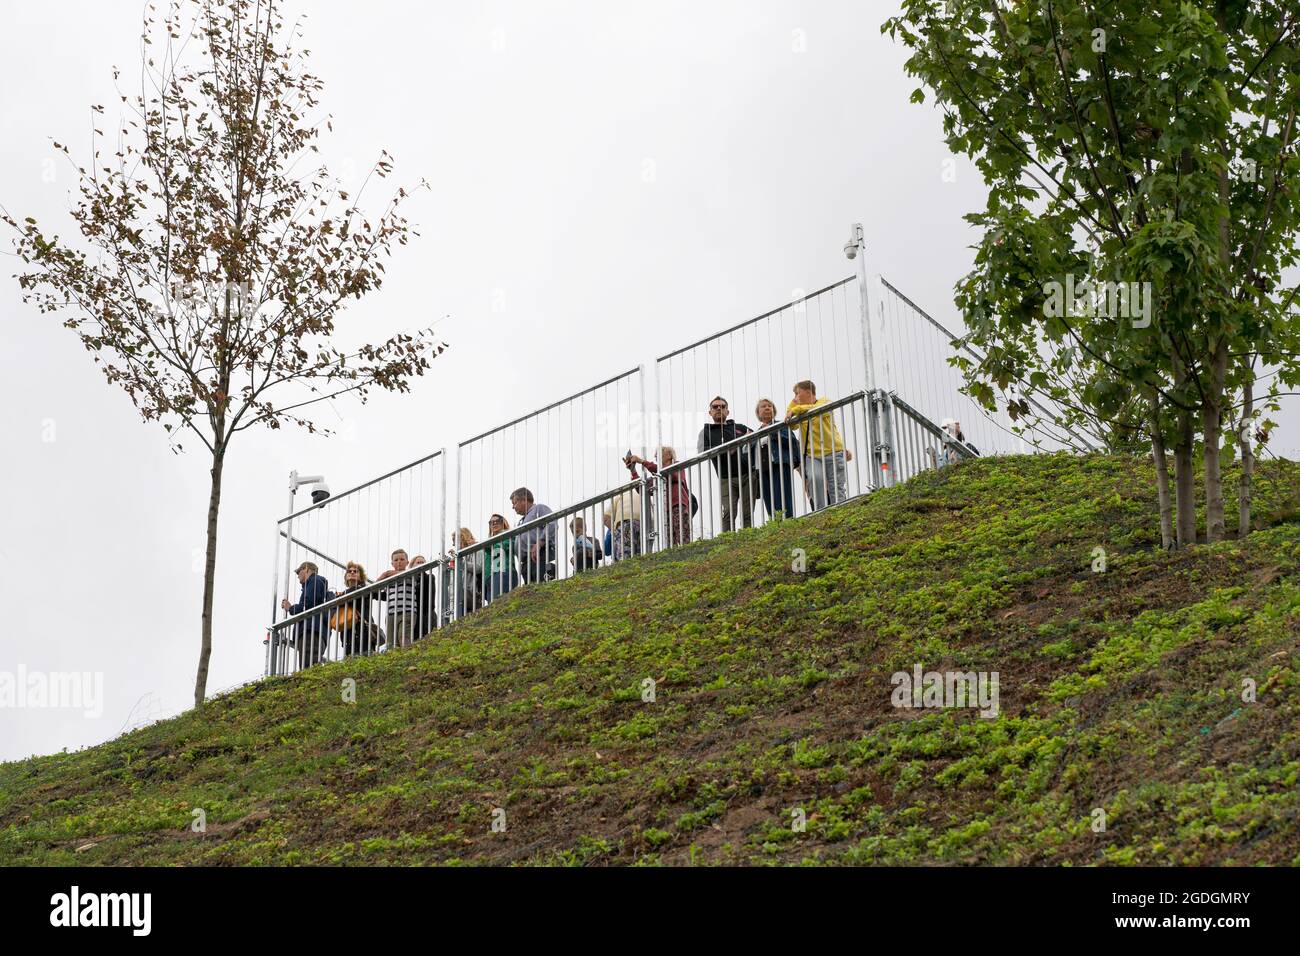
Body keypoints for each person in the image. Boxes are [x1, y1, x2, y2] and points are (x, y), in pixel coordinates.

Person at [786, 380, 852, 511]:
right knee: (815, 480)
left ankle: (841, 513)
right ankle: (822, 513)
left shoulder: (824, 401)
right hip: (812, 455)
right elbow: (791, 424)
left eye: (797, 393)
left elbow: (817, 410)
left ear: (808, 392)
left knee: (836, 486)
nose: (795, 398)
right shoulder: (799, 412)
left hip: (833, 451)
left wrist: (796, 409)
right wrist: (793, 406)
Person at [697, 396, 756, 533]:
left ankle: (748, 538)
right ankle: (727, 541)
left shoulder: (739, 427)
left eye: (723, 406)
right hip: (726, 477)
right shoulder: (706, 432)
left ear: (727, 411)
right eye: (715, 407)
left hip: (748, 474)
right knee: (728, 512)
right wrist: (727, 451)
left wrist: (742, 445)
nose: (719, 409)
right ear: (710, 412)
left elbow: (755, 437)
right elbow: (703, 453)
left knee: (747, 512)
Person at [627, 446, 693, 546]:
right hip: (664, 511)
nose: (656, 455)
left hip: (678, 505)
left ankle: (688, 556)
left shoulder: (677, 466)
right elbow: (642, 489)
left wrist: (642, 461)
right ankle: (674, 559)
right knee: (669, 541)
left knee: (683, 536)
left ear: (669, 455)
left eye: (661, 452)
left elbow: (671, 474)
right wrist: (633, 470)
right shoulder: (658, 476)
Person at [754, 398, 802, 520]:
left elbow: (791, 442)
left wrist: (772, 432)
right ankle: (776, 525)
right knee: (769, 499)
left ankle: (789, 522)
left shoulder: (781, 425)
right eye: (763, 406)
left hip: (780, 464)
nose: (766, 408)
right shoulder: (757, 432)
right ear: (758, 413)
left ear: (773, 410)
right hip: (763, 469)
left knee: (783, 496)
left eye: (769, 406)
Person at [281, 561, 331, 669]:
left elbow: (308, 605)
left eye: (299, 571)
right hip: (314, 630)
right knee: (310, 665)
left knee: (308, 667)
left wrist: (291, 608)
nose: (298, 575)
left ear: (306, 569)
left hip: (310, 630)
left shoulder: (314, 581)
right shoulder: (315, 583)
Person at [511, 487, 558, 584]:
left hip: (539, 554)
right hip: (527, 561)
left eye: (514, 503)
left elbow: (552, 523)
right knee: (531, 592)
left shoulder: (539, 509)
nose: (513, 507)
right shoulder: (523, 520)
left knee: (541, 584)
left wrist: (540, 542)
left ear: (524, 499)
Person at [331, 561, 378, 657]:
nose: (352, 572)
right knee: (350, 659)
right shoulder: (344, 593)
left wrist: (339, 597)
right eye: (349, 571)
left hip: (362, 630)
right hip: (348, 632)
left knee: (365, 659)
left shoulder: (363, 589)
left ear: (360, 577)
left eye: (355, 571)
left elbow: (345, 597)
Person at [377, 548, 419, 651]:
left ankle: (407, 657)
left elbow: (408, 576)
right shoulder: (388, 579)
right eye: (396, 560)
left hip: (407, 612)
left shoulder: (411, 573)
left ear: (407, 562)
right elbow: (377, 588)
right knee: (391, 644)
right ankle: (394, 662)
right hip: (391, 613)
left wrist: (386, 574)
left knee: (404, 637)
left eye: (402, 559)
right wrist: (382, 578)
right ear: (392, 563)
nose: (399, 562)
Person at [448, 529, 485, 615]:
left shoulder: (477, 548)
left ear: (463, 538)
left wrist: (460, 561)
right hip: (459, 593)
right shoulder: (460, 556)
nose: (453, 544)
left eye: (455, 541)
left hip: (472, 592)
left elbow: (479, 567)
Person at [484, 513, 519, 601]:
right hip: (490, 577)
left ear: (503, 523)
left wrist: (485, 546)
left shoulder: (508, 535)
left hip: (503, 572)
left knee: (498, 603)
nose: (494, 523)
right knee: (492, 608)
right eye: (491, 522)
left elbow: (499, 549)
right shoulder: (489, 541)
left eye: (497, 521)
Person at [607, 485, 643, 560]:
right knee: (640, 554)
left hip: (625, 522)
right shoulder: (642, 495)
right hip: (643, 525)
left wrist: (614, 530)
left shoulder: (619, 496)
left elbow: (606, 518)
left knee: (624, 554)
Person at [409, 554, 439, 639]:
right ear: (412, 565)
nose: (421, 564)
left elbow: (428, 595)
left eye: (423, 562)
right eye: (418, 562)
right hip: (414, 614)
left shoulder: (429, 578)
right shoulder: (408, 580)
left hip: (427, 614)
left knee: (429, 638)